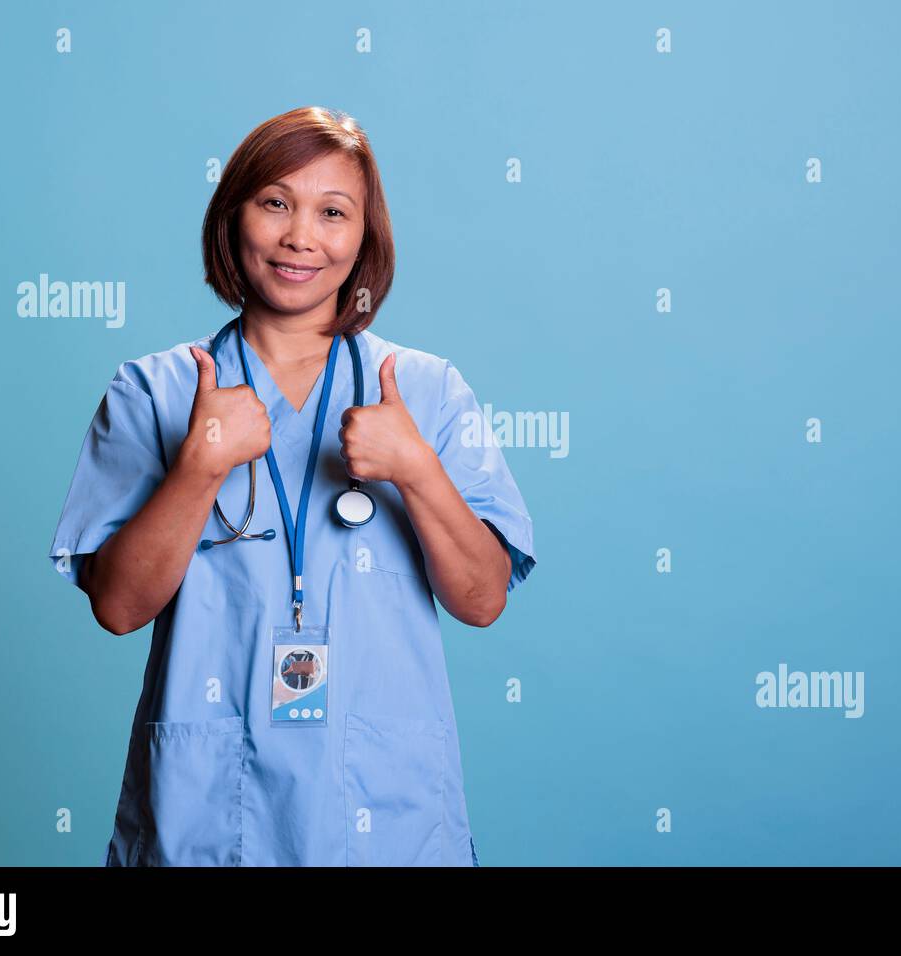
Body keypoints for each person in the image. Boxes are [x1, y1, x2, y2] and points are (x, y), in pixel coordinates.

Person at [47, 106, 536, 866]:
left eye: (332, 213)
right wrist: (201, 465)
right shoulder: (153, 392)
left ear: (365, 237)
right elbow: (117, 607)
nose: (300, 236)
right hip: (205, 811)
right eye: (275, 202)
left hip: (385, 812)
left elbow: (483, 600)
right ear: (231, 216)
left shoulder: (426, 391)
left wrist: (416, 468)